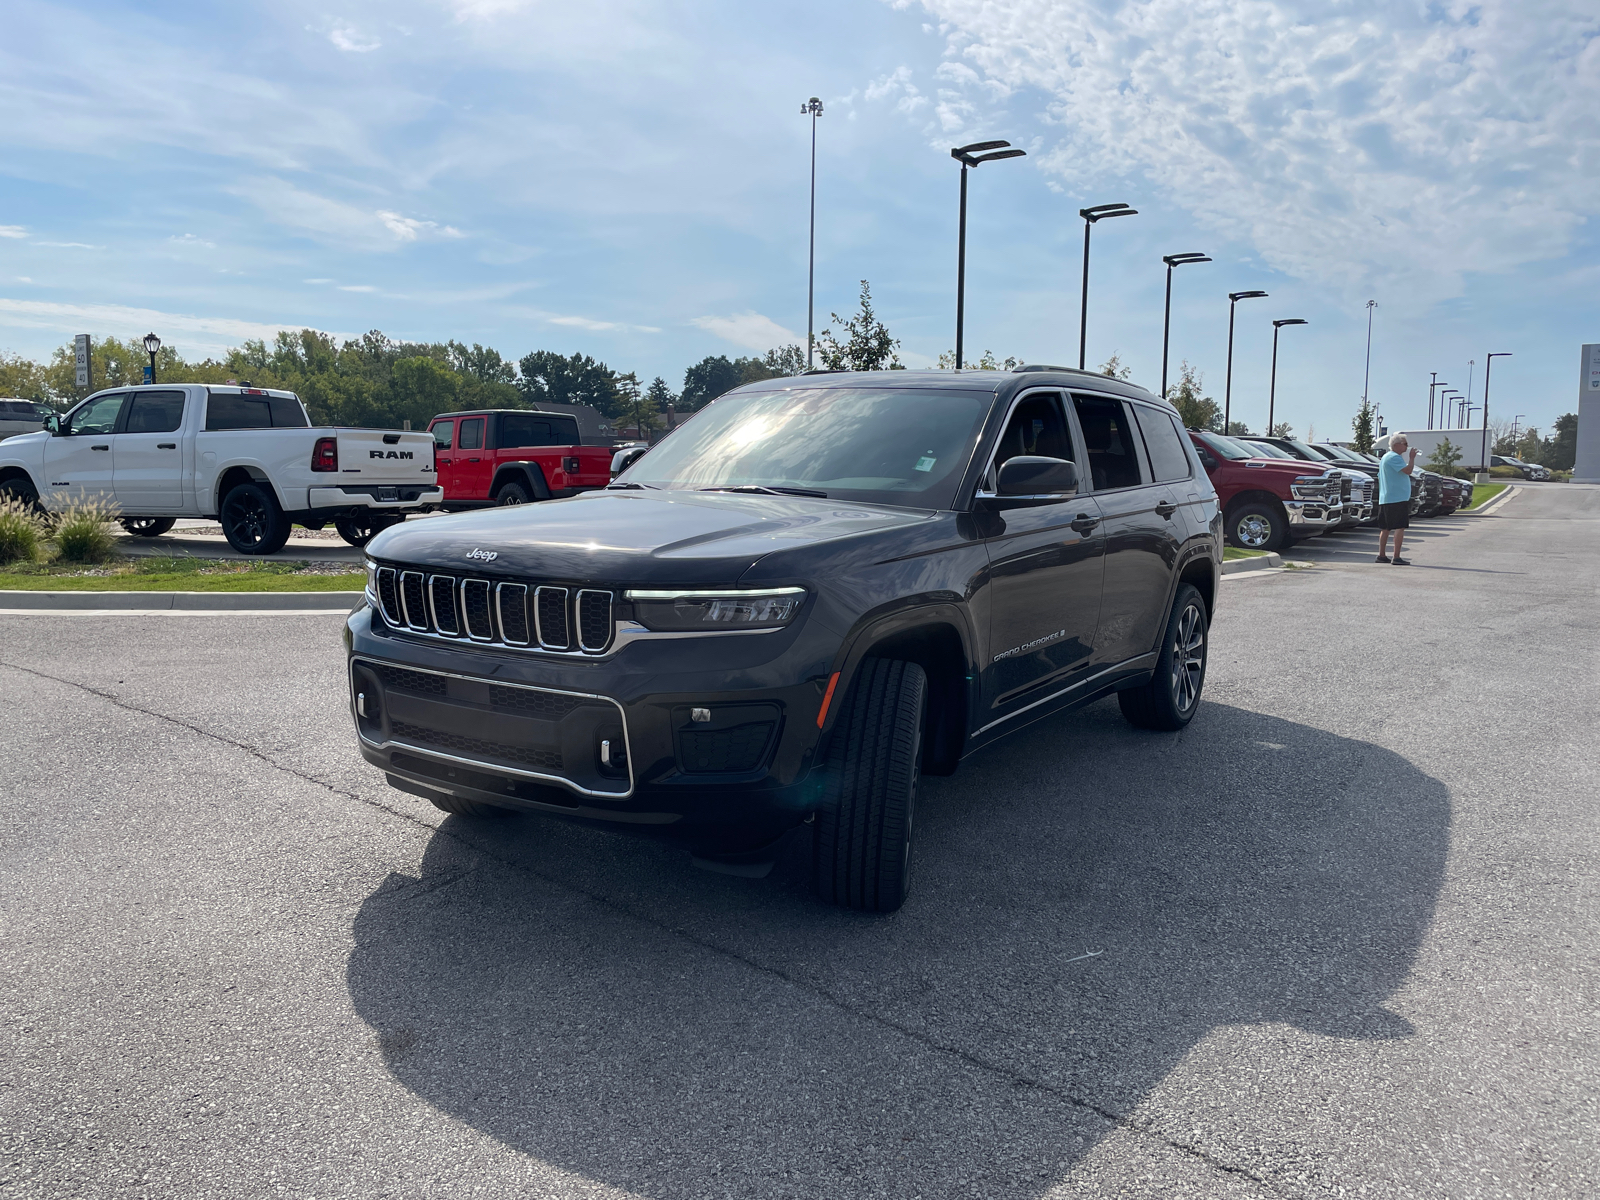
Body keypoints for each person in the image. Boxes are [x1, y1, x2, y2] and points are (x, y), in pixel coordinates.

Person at [1376, 435, 1418, 564]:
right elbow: (1408, 470)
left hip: (1386, 497)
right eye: (1404, 443)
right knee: (1400, 527)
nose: (1407, 445)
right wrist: (1411, 458)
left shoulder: (1385, 457)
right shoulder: (1394, 457)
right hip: (1396, 498)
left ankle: (1382, 555)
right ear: (1396, 445)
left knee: (1386, 528)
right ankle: (1396, 556)